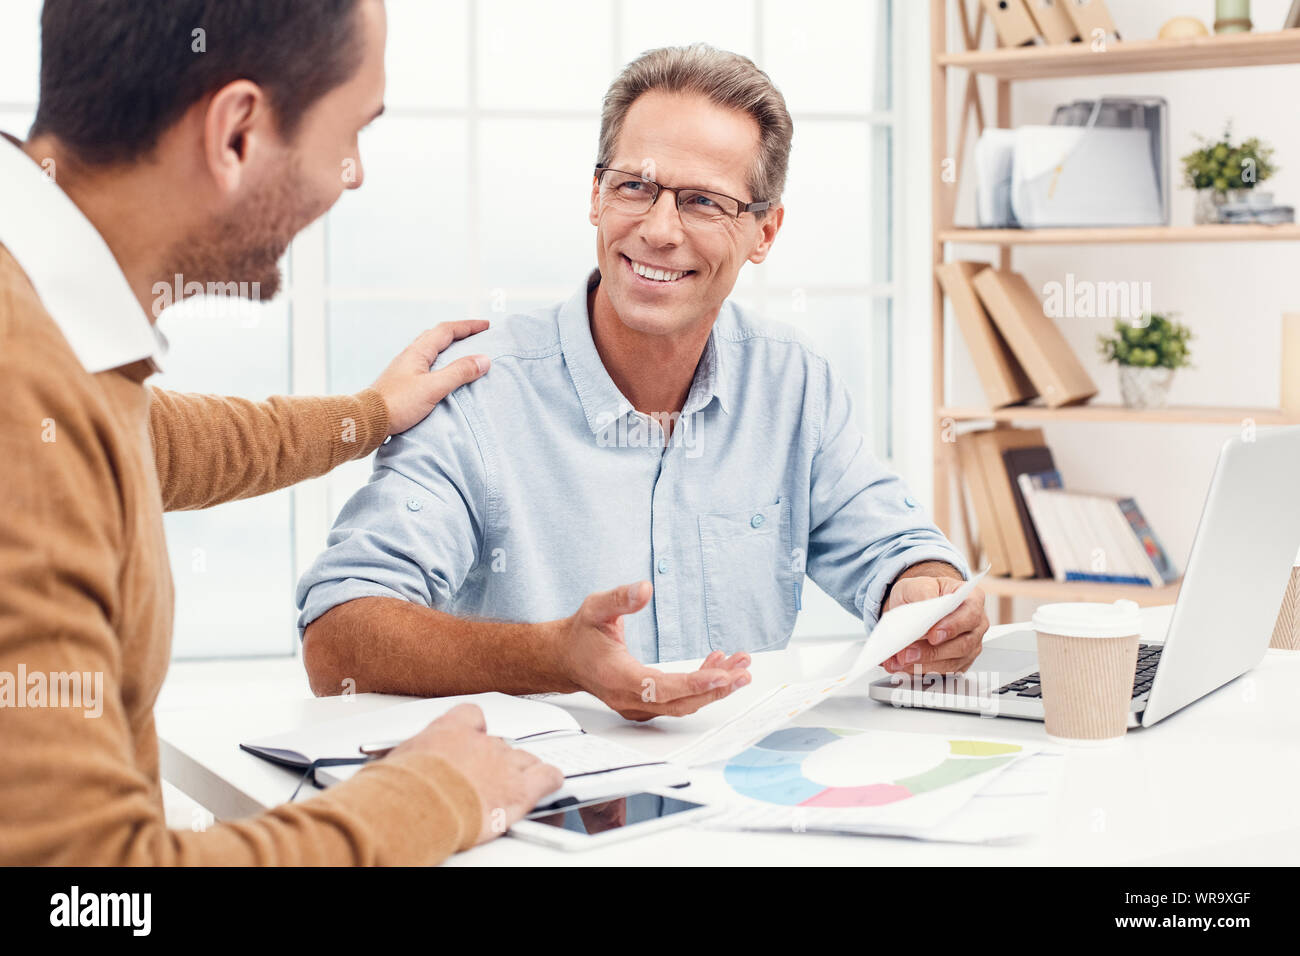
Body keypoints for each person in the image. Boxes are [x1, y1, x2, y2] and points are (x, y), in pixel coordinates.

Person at [0, 0, 561, 866]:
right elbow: (87, 889)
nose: (355, 176)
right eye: (350, 135)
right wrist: (438, 793)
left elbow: (147, 444)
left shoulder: (40, 321)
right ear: (237, 134)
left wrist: (366, 417)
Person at [298, 45, 989, 720]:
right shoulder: (477, 391)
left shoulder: (791, 381)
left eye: (703, 202)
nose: (659, 230)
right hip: (537, 805)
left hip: (745, 803)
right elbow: (338, 638)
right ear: (596, 197)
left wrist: (930, 594)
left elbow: (894, 548)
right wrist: (552, 657)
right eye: (635, 186)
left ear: (764, 233)